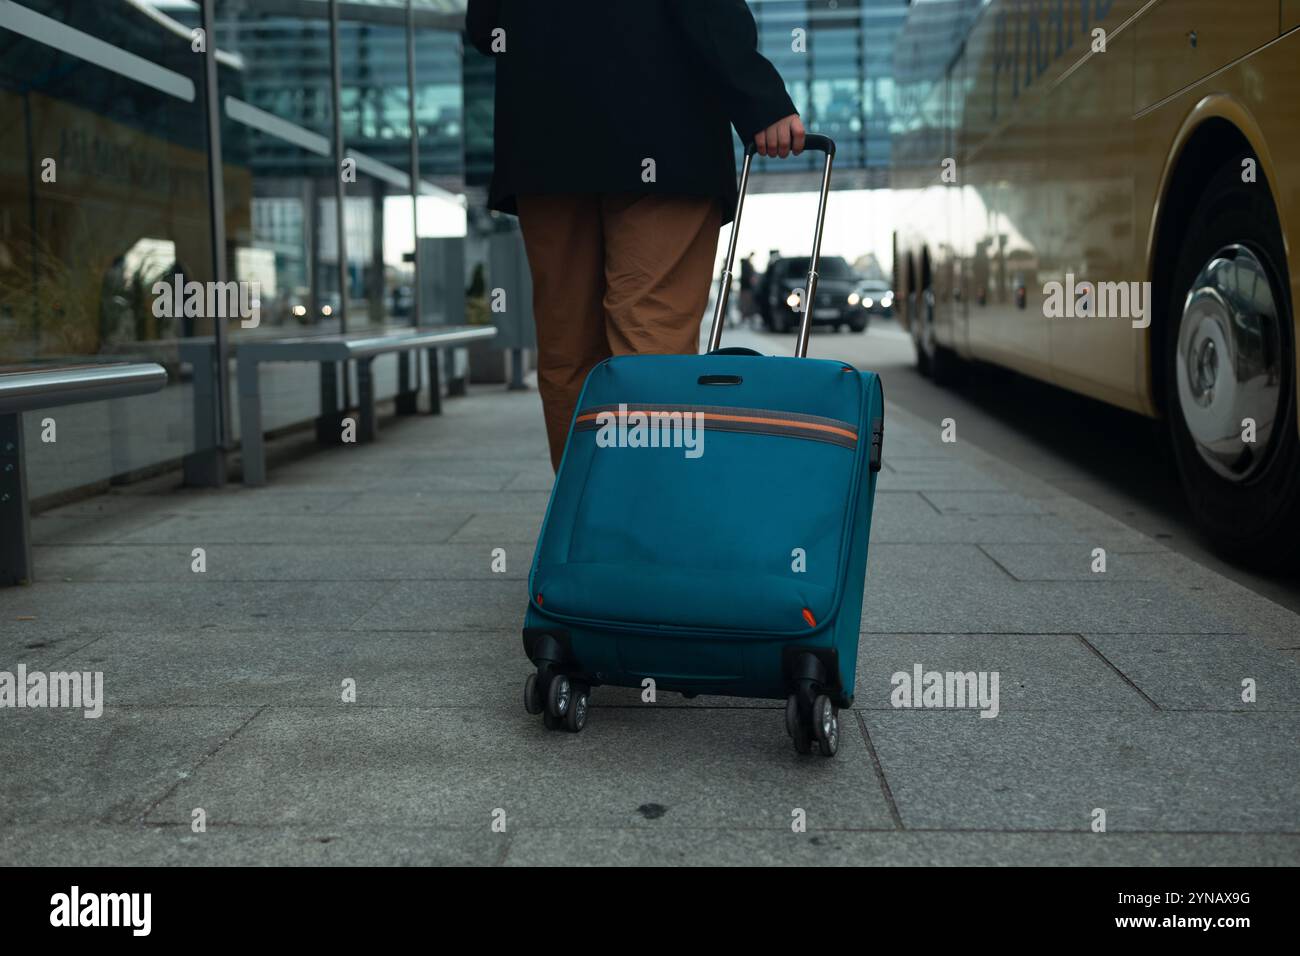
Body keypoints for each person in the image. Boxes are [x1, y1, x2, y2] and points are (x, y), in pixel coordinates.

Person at [466, 0, 806, 471]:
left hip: (545, 137)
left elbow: (485, 27)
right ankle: (642, 526)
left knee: (569, 352)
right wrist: (760, 99)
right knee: (651, 337)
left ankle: (586, 524)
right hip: (663, 128)